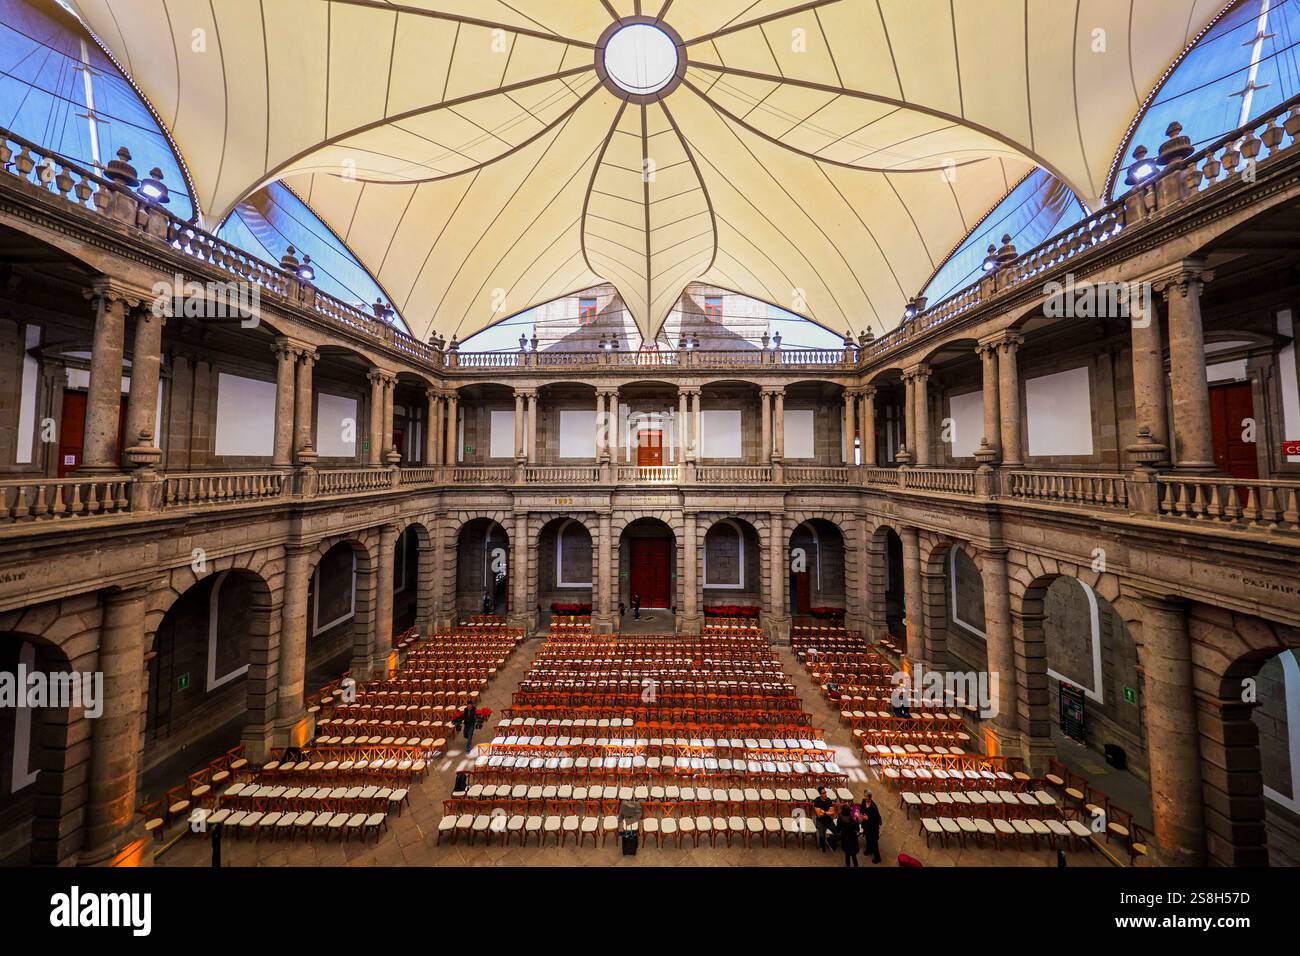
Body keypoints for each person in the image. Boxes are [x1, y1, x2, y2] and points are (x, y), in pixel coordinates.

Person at [858, 791, 883, 863]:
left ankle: (877, 858)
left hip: (873, 828)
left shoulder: (874, 807)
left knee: (874, 842)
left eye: (866, 796)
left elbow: (876, 819)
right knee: (867, 838)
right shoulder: (863, 801)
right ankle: (869, 850)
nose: (865, 797)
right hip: (866, 826)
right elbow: (862, 809)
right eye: (864, 796)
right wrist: (861, 814)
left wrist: (868, 818)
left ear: (870, 797)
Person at [836, 800, 861, 867]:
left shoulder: (840, 817)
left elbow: (838, 829)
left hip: (845, 838)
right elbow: (858, 829)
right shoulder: (854, 819)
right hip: (853, 839)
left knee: (847, 856)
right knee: (854, 856)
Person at [812, 787, 835, 852]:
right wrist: (828, 812)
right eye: (823, 793)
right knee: (821, 836)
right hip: (820, 821)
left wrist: (824, 812)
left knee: (837, 834)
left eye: (825, 792)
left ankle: (829, 840)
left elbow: (832, 812)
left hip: (828, 820)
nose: (825, 794)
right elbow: (819, 815)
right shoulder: (817, 801)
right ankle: (823, 847)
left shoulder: (829, 800)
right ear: (820, 794)